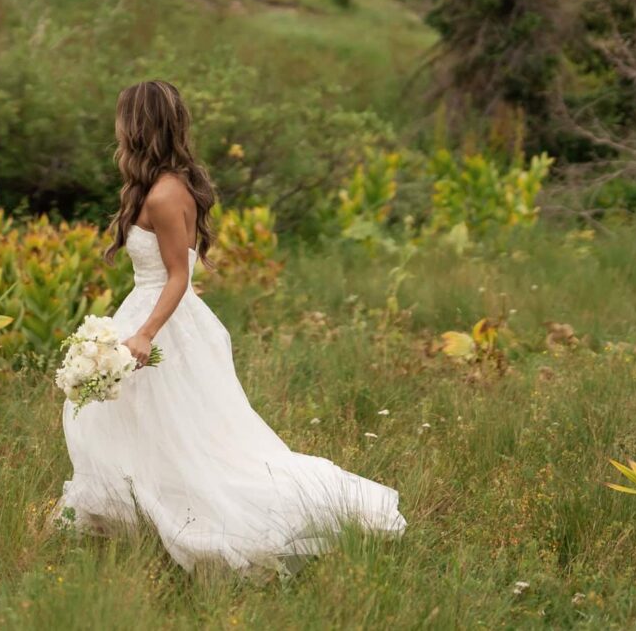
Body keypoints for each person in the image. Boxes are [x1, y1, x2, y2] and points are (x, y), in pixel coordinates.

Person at [58, 80, 405, 570]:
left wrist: (144, 335)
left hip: (160, 325)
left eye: (122, 118)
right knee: (132, 426)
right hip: (148, 313)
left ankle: (201, 521)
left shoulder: (164, 194)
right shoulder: (155, 187)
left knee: (184, 436)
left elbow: (181, 275)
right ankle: (134, 525)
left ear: (137, 125)